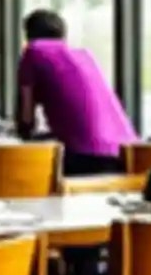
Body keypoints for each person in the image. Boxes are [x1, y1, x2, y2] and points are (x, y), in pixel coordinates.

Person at [16, 9, 139, 175]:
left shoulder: (33, 52)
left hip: (87, 158)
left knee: (27, 168)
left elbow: (26, 118)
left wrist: (20, 133)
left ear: (28, 35)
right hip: (127, 153)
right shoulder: (85, 56)